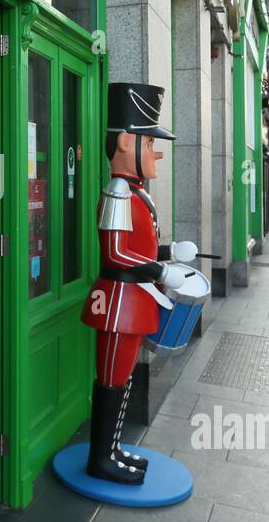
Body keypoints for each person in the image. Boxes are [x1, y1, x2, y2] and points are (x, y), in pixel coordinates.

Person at [81, 82, 195, 484]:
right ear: (127, 142)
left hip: (132, 299)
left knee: (124, 375)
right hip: (117, 302)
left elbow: (138, 248)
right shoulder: (117, 192)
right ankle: (102, 458)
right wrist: (161, 270)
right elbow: (115, 254)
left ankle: (112, 447)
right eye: (151, 144)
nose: (157, 153)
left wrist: (167, 251)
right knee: (111, 378)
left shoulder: (136, 193)